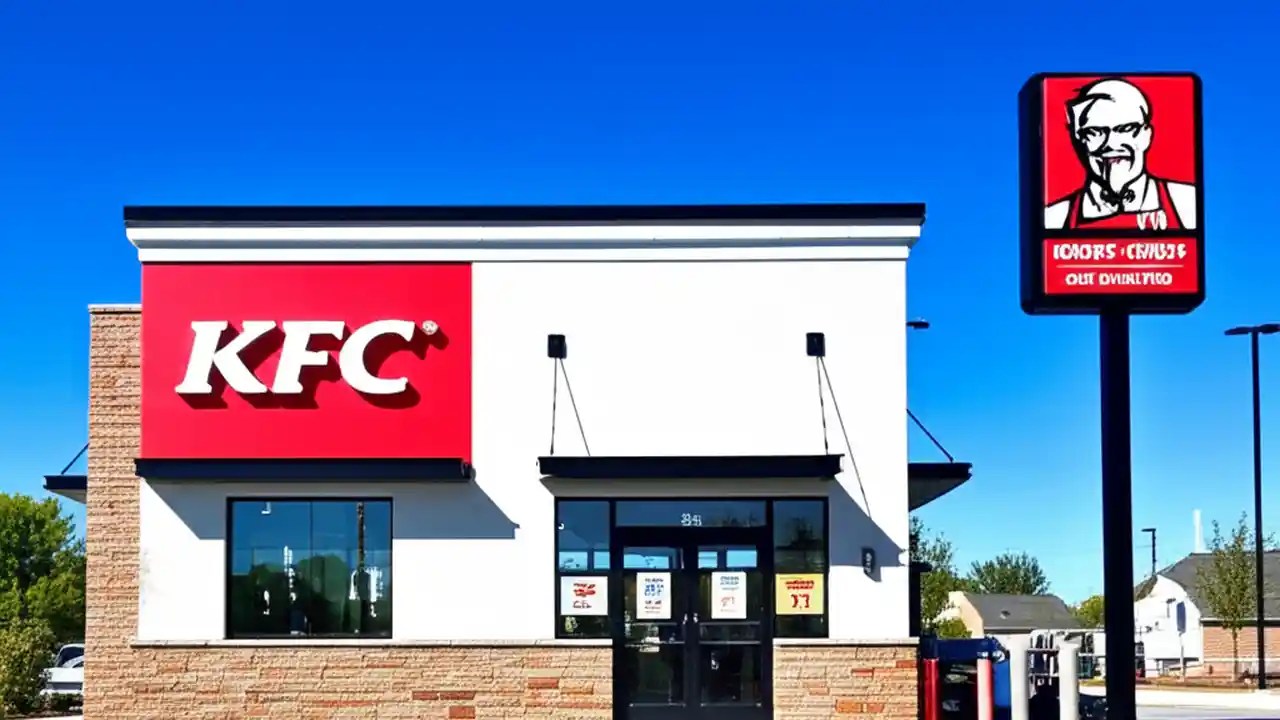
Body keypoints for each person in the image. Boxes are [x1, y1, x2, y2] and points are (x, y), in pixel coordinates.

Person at [1044, 78, 1196, 231]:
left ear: (1146, 135)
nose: (1111, 143)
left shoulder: (1187, 203)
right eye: (1095, 131)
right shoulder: (1053, 219)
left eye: (1126, 128)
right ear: (1079, 139)